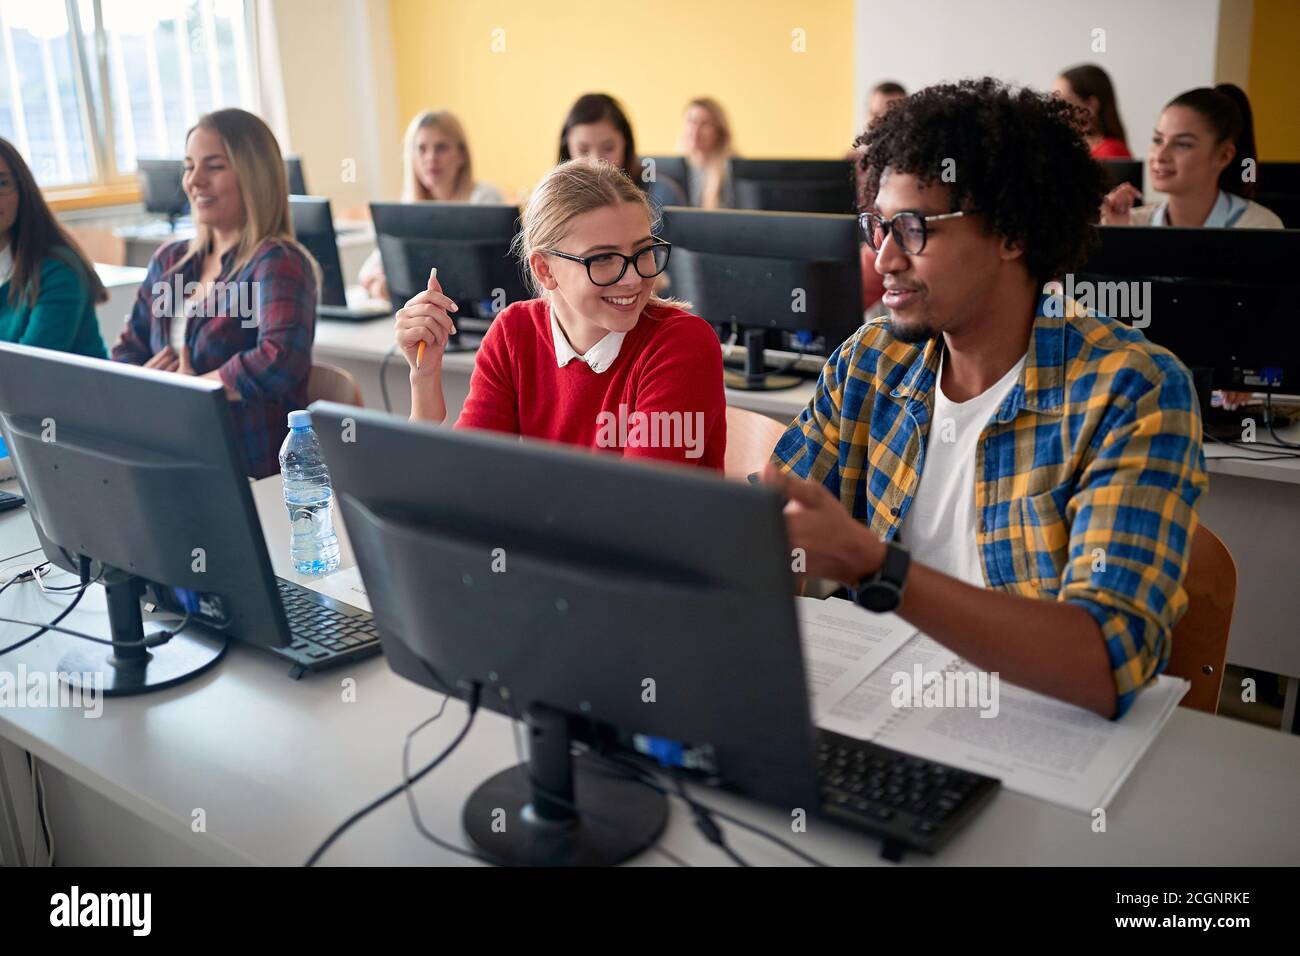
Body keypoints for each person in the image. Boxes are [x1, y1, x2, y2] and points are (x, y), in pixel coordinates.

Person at [767, 78, 1206, 720]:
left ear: (1011, 234)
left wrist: (875, 567)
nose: (884, 257)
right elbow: (780, 533)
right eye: (877, 225)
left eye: (914, 228)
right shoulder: (871, 360)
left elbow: (1109, 661)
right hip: (885, 702)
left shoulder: (1132, 389)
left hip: (1039, 726)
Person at [395, 159, 726, 470]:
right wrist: (424, 381)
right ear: (544, 269)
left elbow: (638, 510)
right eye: (604, 259)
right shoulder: (514, 332)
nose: (633, 278)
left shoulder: (683, 344)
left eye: (642, 251)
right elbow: (471, 478)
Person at [112, 108, 318, 479]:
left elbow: (280, 360)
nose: (195, 181)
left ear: (253, 176)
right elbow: (127, 350)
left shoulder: (277, 261)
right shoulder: (170, 260)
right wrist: (150, 384)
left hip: (247, 470)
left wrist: (191, 391)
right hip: (167, 455)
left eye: (215, 166)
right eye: (189, 166)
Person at [358, 110, 503, 302]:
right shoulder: (408, 208)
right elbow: (368, 272)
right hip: (423, 319)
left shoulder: (484, 200)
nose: (431, 158)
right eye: (421, 149)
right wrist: (378, 283)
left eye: (441, 147)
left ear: (461, 155)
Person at [1100, 84, 1283, 229]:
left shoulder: (1259, 227)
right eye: (1158, 140)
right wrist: (1119, 236)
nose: (1161, 155)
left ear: (1224, 156)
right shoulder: (1132, 223)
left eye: (1183, 144)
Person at [0, 138, 108, 357]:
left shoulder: (57, 271)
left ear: (22, 191)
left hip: (73, 391)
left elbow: (27, 371)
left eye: (2, 184)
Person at [558, 93, 683, 210]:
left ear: (626, 143)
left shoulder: (662, 198)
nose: (596, 161)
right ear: (567, 149)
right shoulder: (555, 199)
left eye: (608, 148)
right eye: (583, 150)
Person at [1054, 64, 1131, 158]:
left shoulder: (1111, 153)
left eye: (1063, 103)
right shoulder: (1072, 148)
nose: (1056, 111)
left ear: (1091, 105)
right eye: (1053, 102)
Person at [678, 97, 735, 209]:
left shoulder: (730, 168)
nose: (696, 131)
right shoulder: (678, 168)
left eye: (704, 124)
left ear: (718, 132)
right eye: (692, 122)